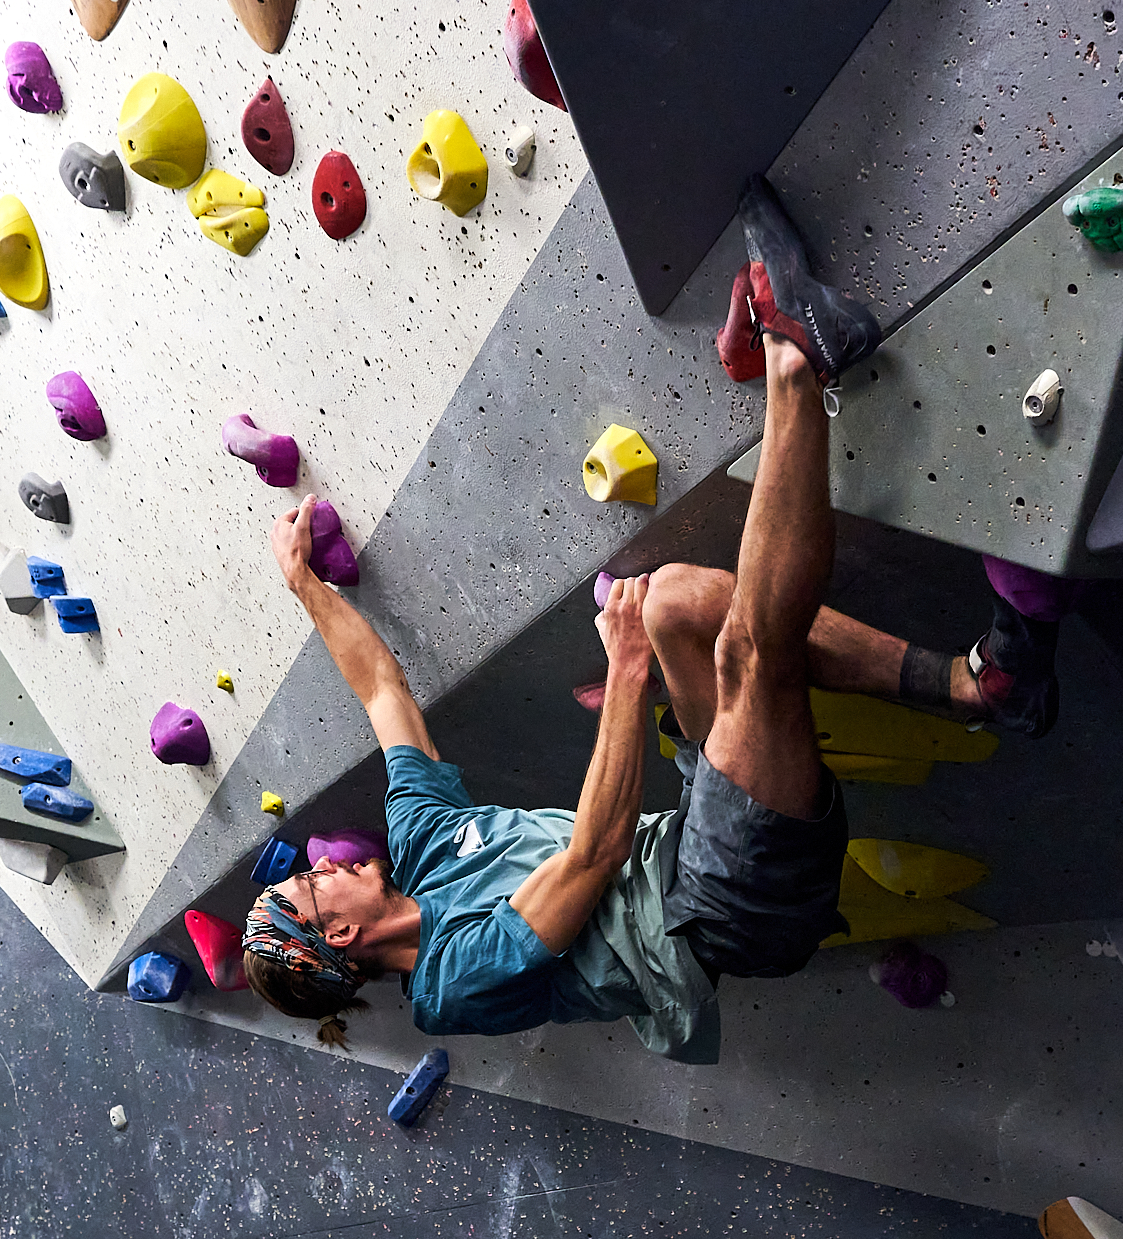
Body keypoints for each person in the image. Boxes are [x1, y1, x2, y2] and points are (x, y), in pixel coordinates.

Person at [241, 179, 1061, 1061]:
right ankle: (801, 357)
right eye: (312, 894)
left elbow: (381, 691)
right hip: (720, 911)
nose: (323, 867)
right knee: (750, 655)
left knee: (675, 600)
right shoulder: (451, 981)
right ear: (343, 939)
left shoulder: (425, 846)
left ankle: (982, 686)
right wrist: (628, 672)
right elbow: (592, 856)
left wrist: (306, 588)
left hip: (684, 836)